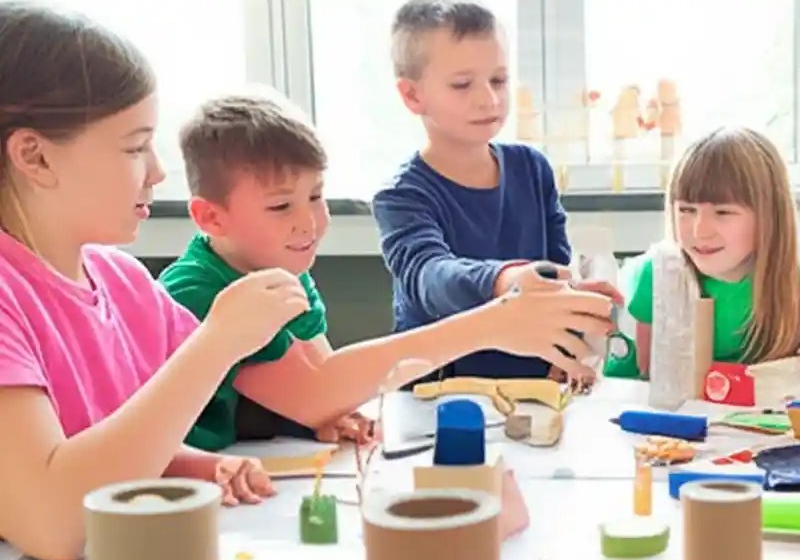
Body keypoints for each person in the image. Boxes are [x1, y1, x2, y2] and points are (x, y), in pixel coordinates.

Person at [0, 0, 306, 560]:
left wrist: (190, 462)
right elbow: (53, 523)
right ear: (35, 158)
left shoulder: (122, 281)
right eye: (135, 147)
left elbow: (115, 444)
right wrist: (217, 343)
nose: (158, 171)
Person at [160, 92, 614, 452]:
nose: (309, 222)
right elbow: (316, 390)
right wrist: (491, 324)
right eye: (281, 206)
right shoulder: (195, 290)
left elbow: (324, 383)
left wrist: (328, 413)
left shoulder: (282, 271)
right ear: (211, 218)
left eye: (316, 196)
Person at [373, 0, 614, 382]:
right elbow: (431, 278)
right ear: (412, 95)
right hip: (436, 398)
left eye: (498, 80)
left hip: (534, 389)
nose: (488, 99)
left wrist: (575, 300)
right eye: (462, 84)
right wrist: (507, 279)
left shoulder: (532, 169)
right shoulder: (401, 196)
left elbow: (554, 270)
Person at [604, 126, 800, 378]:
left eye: (723, 212)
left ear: (770, 216)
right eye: (686, 210)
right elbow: (647, 378)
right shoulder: (658, 275)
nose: (701, 231)